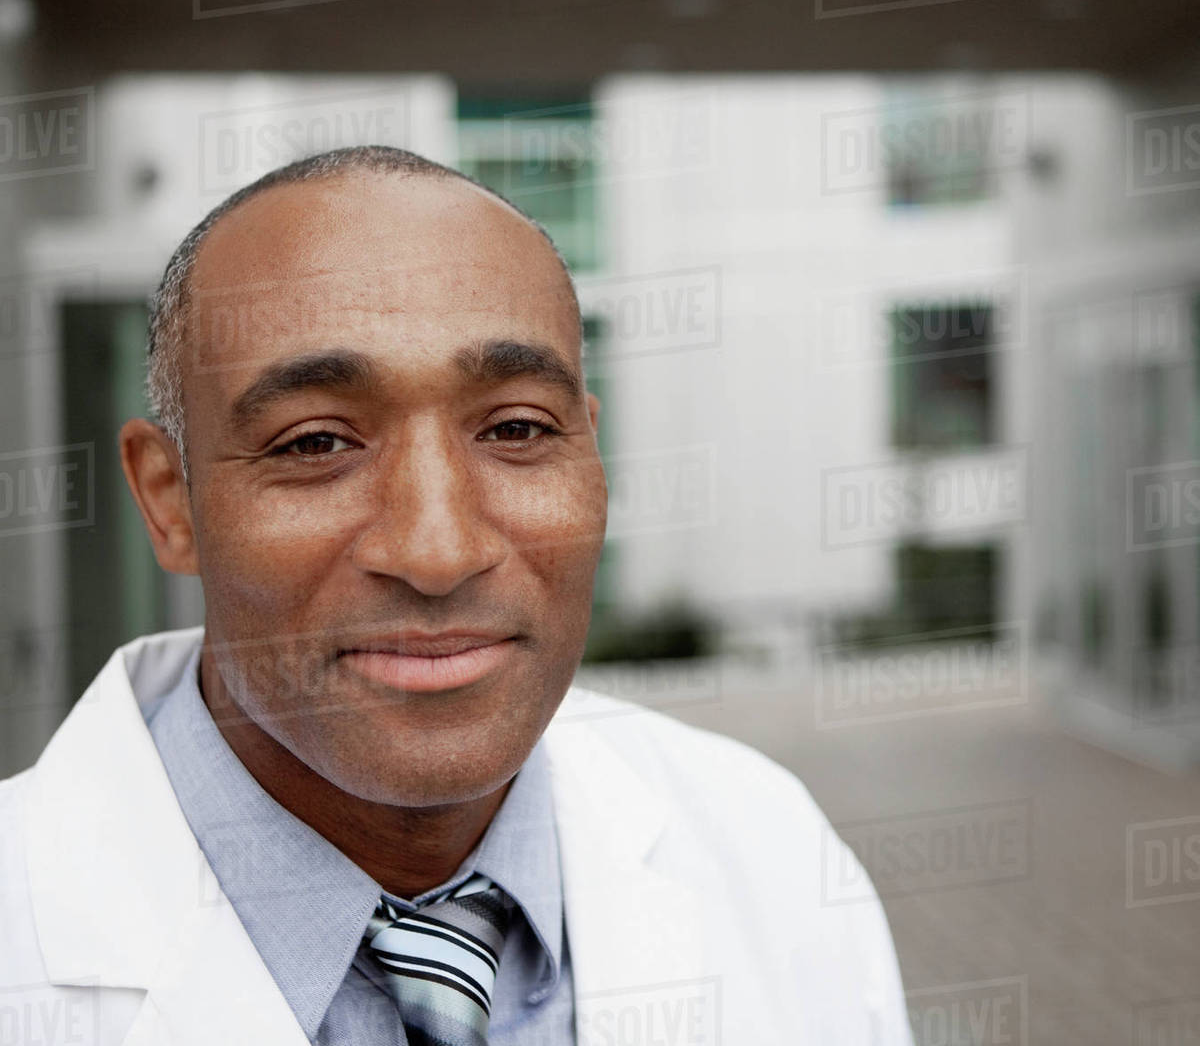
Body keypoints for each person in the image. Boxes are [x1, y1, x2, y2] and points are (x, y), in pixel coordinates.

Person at [0, 146, 913, 1044]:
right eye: (316, 443)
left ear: (593, 456)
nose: (438, 552)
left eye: (517, 427)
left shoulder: (771, 851)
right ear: (171, 500)